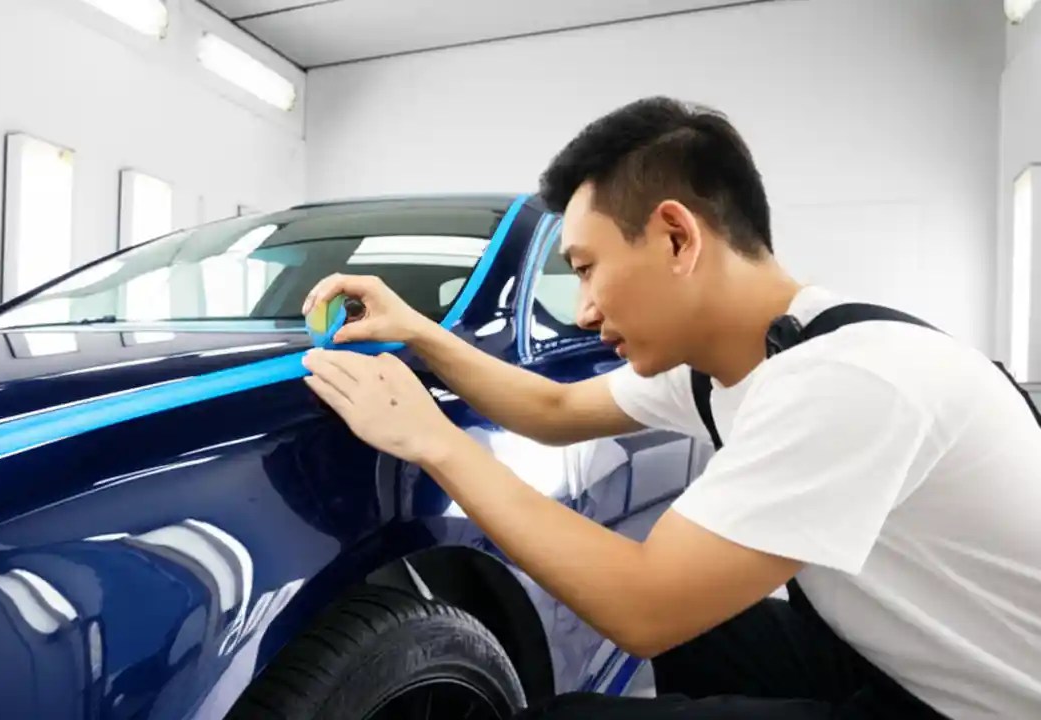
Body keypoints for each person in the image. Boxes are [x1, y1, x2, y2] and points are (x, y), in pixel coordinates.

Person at [299, 96, 1041, 719]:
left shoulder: (849, 380)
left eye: (588, 269)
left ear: (677, 237)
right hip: (898, 657)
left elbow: (644, 610)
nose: (584, 311)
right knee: (711, 635)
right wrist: (422, 332)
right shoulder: (737, 361)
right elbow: (554, 406)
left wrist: (434, 442)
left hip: (976, 707)